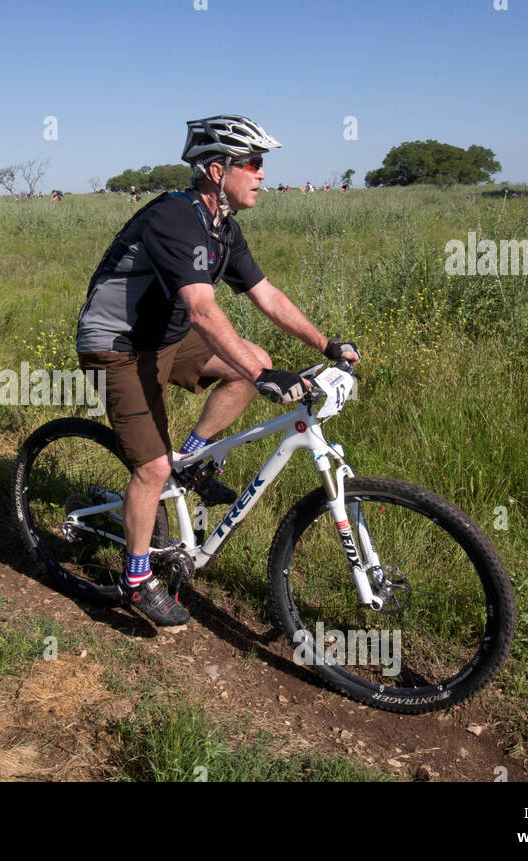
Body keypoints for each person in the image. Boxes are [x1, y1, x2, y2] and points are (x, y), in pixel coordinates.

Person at [75, 115, 359, 626]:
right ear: (214, 168)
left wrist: (326, 342)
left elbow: (266, 294)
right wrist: (262, 377)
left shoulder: (221, 228)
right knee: (152, 468)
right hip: (117, 345)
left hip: (165, 337)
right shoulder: (175, 219)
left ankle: (194, 456)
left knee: (254, 365)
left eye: (260, 164)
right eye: (252, 163)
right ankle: (136, 581)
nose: (262, 174)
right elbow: (204, 311)